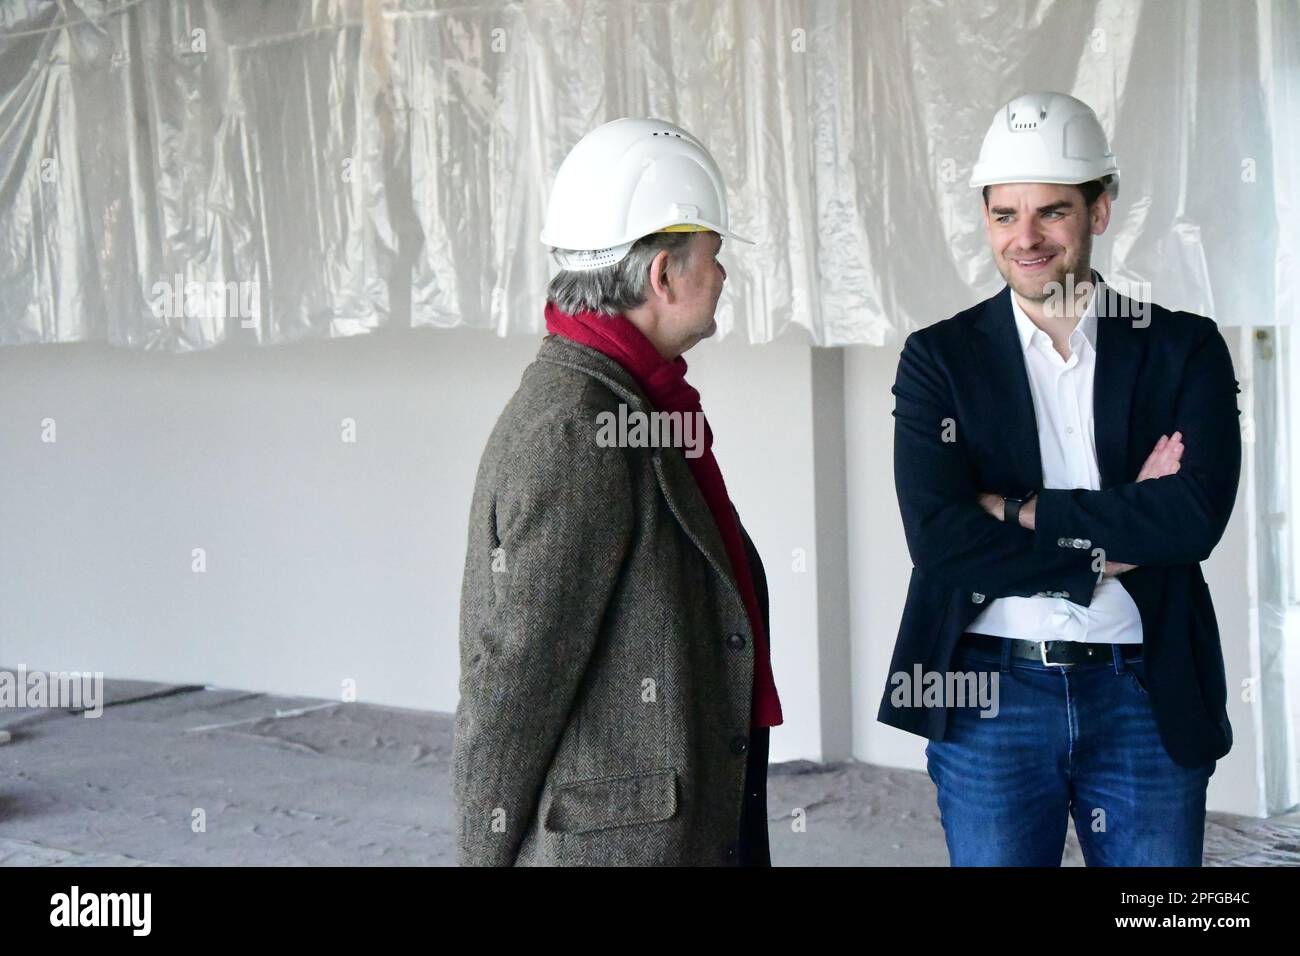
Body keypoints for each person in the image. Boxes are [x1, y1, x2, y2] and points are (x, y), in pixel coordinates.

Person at [879, 92, 1242, 866]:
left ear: (1100, 210)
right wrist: (1108, 541)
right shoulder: (940, 359)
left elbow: (1192, 520)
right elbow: (942, 540)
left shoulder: (1182, 349)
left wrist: (1013, 511)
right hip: (987, 696)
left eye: (1051, 212)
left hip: (1145, 691)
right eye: (1005, 215)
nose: (1027, 238)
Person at [453, 118, 782, 866]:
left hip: (686, 814)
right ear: (664, 275)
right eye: (714, 258)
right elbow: (511, 685)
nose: (723, 277)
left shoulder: (633, 405)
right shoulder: (578, 431)